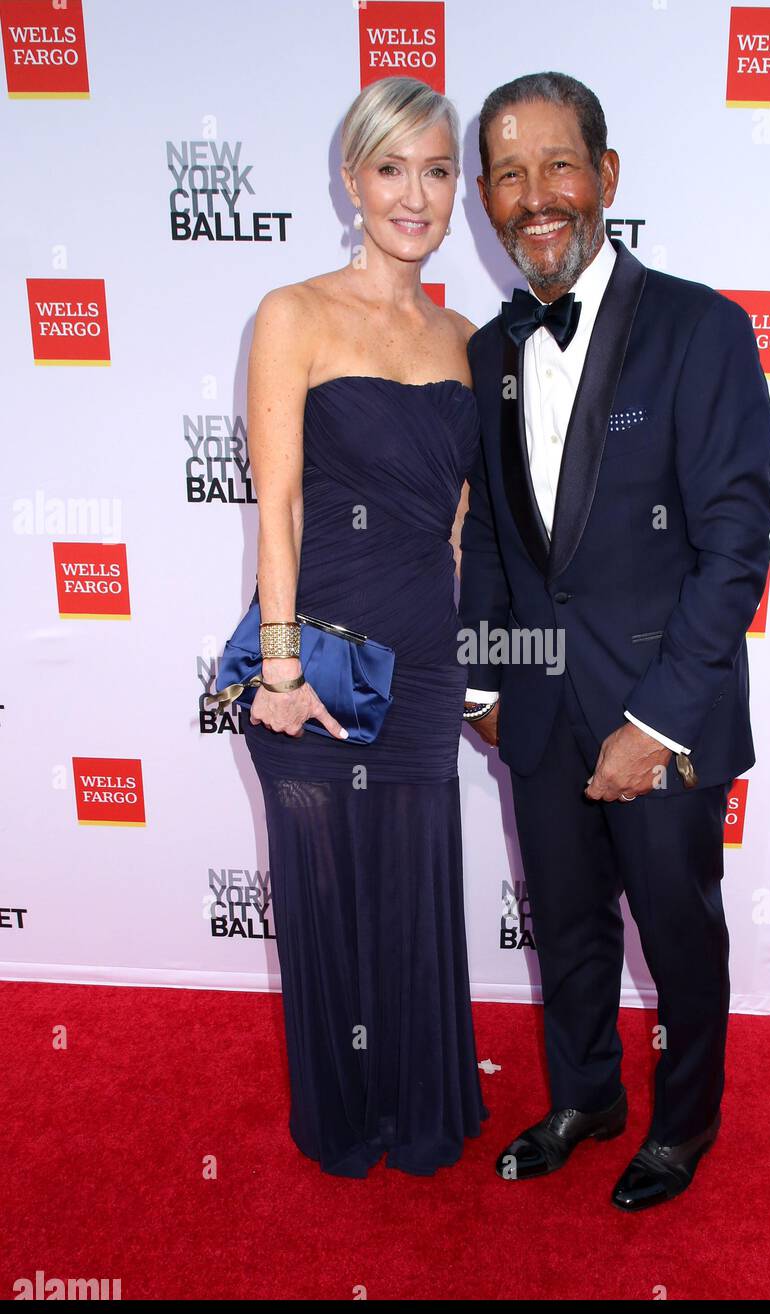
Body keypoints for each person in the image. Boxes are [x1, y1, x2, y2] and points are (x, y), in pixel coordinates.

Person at [459, 72, 770, 1211]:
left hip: (661, 711)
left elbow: (735, 547)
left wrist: (655, 724)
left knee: (679, 935)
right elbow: (494, 540)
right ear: (485, 200)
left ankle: (684, 1123)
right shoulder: (490, 354)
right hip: (537, 710)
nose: (535, 195)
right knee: (570, 930)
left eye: (557, 165)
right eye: (508, 173)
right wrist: (484, 688)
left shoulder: (702, 328)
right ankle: (588, 1093)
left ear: (606, 177)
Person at [240, 76, 488, 1177]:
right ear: (352, 181)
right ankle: (347, 1115)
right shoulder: (293, 313)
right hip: (319, 658)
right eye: (393, 168)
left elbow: (461, 534)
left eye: (437, 170)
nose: (415, 194)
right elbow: (278, 504)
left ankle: (420, 1107)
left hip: (425, 663)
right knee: (327, 894)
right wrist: (283, 663)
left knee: (416, 885)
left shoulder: (466, 337)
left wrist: (478, 670)